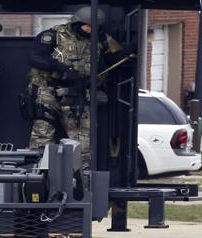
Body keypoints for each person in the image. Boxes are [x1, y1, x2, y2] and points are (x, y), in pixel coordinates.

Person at [26, 6, 127, 168]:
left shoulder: (101, 39)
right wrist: (63, 69)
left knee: (83, 141)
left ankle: (82, 180)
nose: (90, 30)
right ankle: (38, 178)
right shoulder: (53, 36)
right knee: (42, 137)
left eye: (95, 27)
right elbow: (36, 58)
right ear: (76, 23)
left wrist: (127, 51)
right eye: (87, 25)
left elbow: (113, 58)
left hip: (77, 94)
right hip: (47, 91)